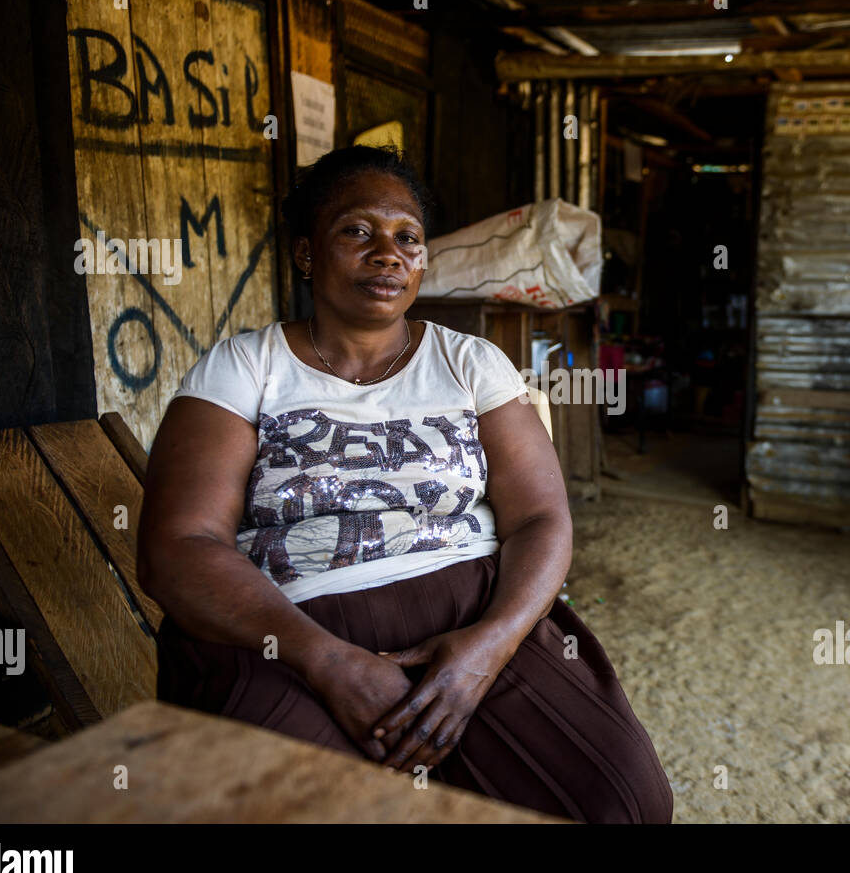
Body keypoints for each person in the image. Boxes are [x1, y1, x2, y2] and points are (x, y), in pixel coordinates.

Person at [137, 144, 673, 824]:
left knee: (618, 799)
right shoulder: (245, 366)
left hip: (473, 614)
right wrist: (325, 660)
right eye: (357, 230)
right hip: (289, 626)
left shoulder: (471, 363)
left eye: (407, 237)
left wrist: (489, 647)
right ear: (306, 254)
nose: (388, 253)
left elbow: (541, 518)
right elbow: (177, 544)